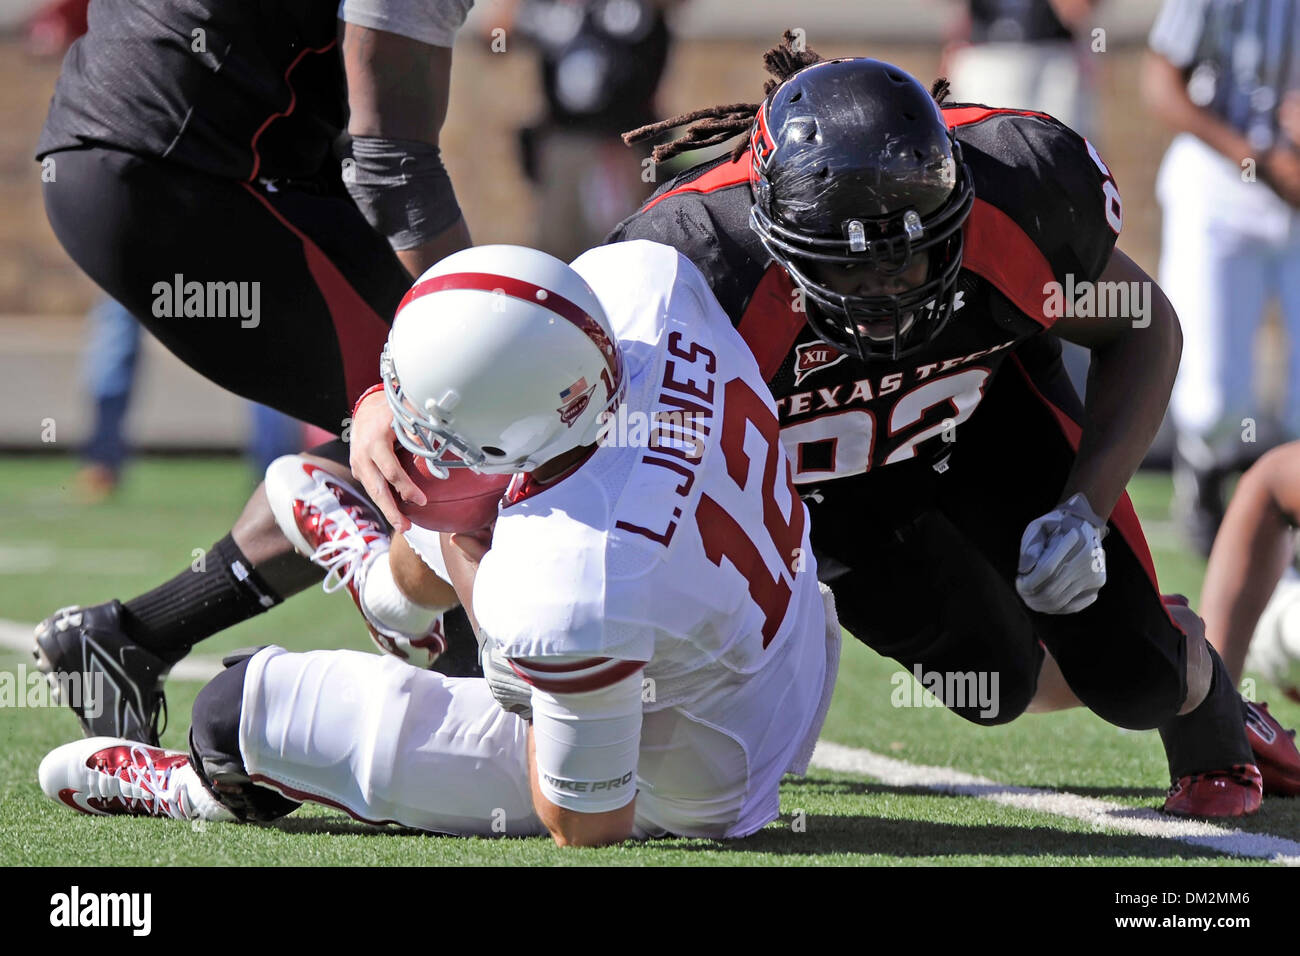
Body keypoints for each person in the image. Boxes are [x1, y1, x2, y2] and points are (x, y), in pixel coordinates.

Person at [594, 41, 1296, 816]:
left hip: (986, 417)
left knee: (1134, 677)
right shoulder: (699, 269)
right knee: (997, 686)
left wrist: (1084, 508)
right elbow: (598, 456)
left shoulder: (1020, 192)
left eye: (910, 257)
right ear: (782, 244)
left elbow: (1144, 326)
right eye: (852, 269)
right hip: (827, 487)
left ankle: (1211, 709)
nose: (886, 291)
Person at [38, 241, 839, 847]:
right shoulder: (645, 286)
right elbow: (515, 353)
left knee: (234, 711)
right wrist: (408, 409)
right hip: (799, 653)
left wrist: (459, 533)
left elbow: (586, 824)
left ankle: (204, 787)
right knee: (484, 509)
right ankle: (384, 591)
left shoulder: (566, 583)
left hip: (694, 777)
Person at [32, 0, 484, 745]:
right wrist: (498, 333)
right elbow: (393, 164)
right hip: (187, 173)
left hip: (159, 157)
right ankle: (481, 708)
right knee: (455, 412)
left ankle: (131, 639)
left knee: (440, 410)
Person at [1143, 0, 1300, 555]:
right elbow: (1160, 81)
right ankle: (1206, 477)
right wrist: (1254, 156)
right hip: (1222, 185)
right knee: (1214, 402)